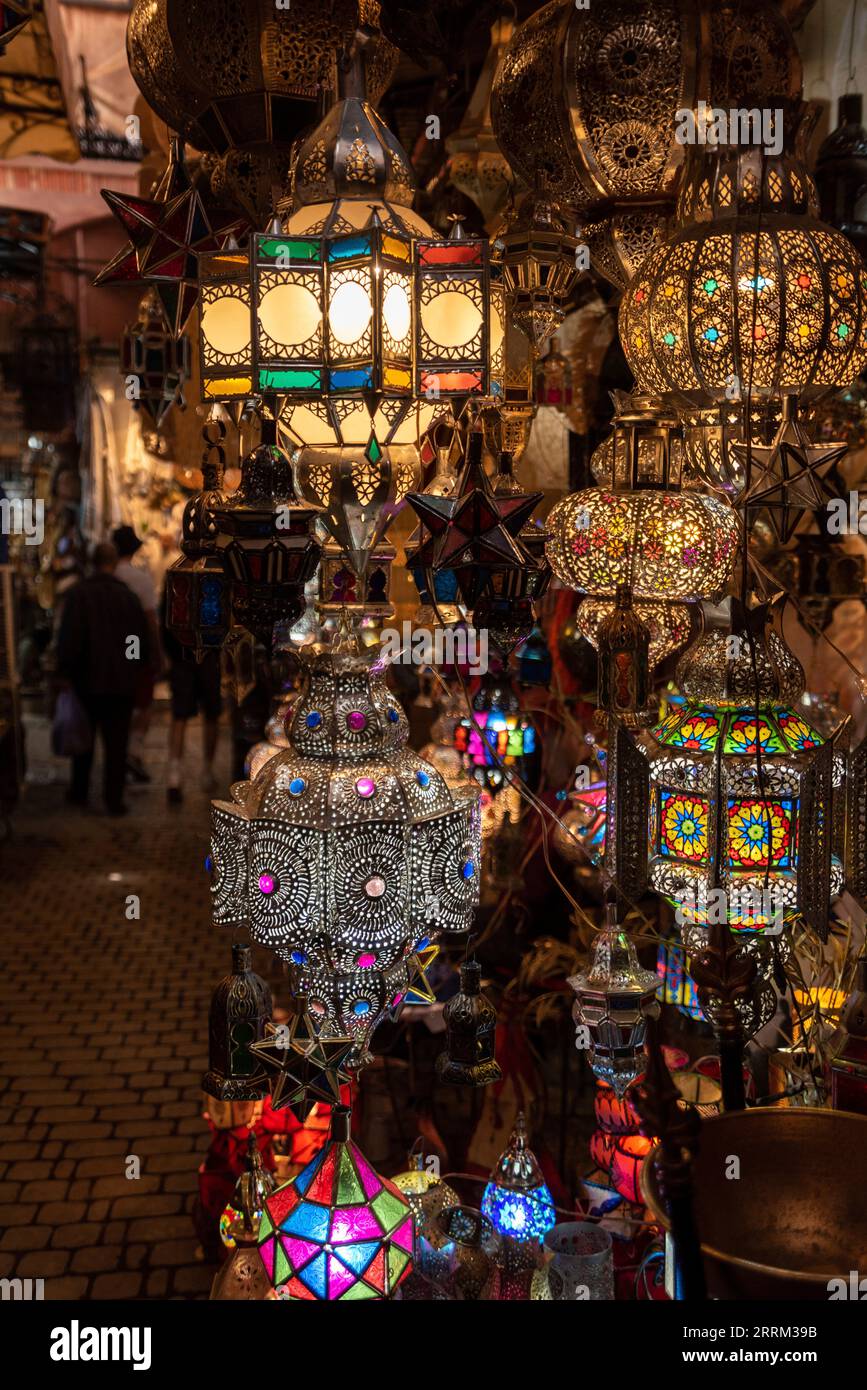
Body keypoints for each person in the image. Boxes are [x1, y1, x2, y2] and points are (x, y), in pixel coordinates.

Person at [56, 542, 149, 816]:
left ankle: (79, 791)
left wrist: (67, 671)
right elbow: (135, 639)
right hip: (120, 684)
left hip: (87, 681)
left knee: (84, 740)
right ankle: (113, 798)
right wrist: (131, 666)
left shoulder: (79, 595)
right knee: (116, 745)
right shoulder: (127, 598)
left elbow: (71, 638)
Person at [160, 584, 222, 805]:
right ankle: (204, 770)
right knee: (208, 714)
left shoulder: (175, 581)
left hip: (183, 657)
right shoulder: (213, 579)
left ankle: (175, 774)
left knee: (181, 716)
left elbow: (164, 621)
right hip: (207, 658)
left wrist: (170, 654)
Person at [111, 524, 162, 784]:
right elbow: (150, 619)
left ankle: (120, 755)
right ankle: (133, 751)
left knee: (120, 704)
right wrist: (157, 653)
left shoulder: (109, 576)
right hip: (136, 648)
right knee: (142, 703)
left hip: (111, 650)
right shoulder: (140, 579)